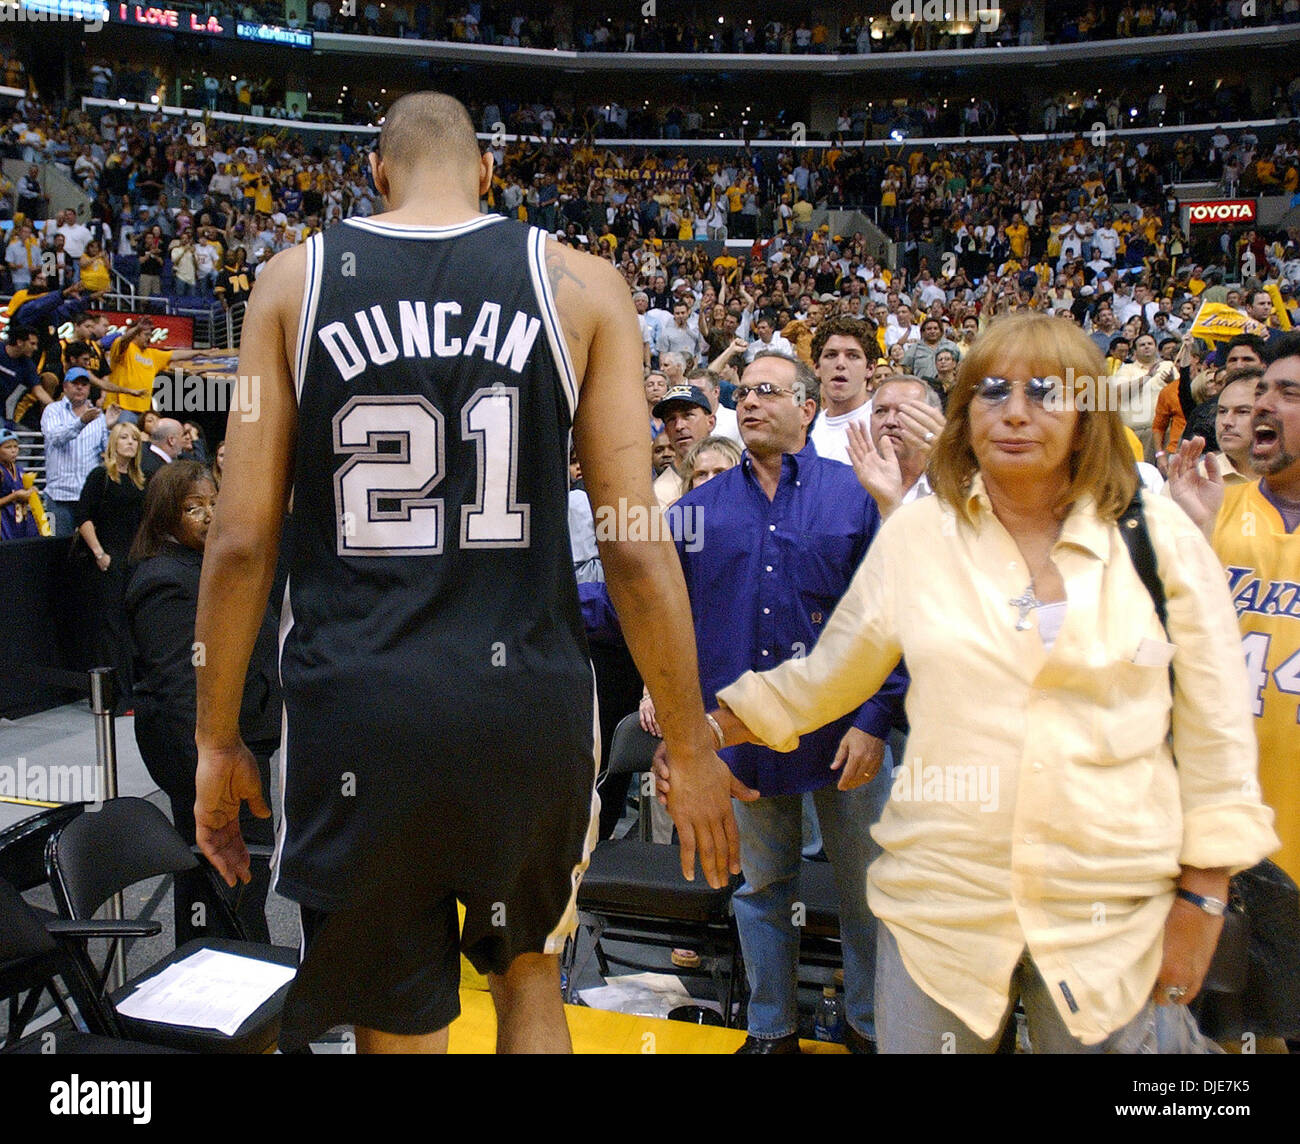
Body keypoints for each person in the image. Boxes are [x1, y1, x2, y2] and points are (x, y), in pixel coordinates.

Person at [192, 92, 746, 1056]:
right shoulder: (582, 284)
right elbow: (629, 540)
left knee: (400, 1018)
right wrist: (690, 741)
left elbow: (240, 540)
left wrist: (215, 736)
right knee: (529, 979)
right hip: (523, 708)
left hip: (359, 707)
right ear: (491, 175)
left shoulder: (291, 283)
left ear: (373, 173)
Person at [676, 311, 1278, 1053]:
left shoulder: (1159, 537)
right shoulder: (923, 535)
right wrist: (700, 732)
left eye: (1044, 393)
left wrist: (1202, 893)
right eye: (992, 392)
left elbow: (1217, 730)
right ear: (964, 415)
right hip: (944, 912)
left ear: (1088, 412)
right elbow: (823, 678)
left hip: (1107, 909)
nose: (1016, 411)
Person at [648, 350, 907, 1054]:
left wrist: (876, 720)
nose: (751, 402)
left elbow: (890, 616)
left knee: (868, 897)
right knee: (762, 891)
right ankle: (771, 1028)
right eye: (744, 392)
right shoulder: (696, 510)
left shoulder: (854, 494)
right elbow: (663, 620)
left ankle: (867, 1026)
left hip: (843, 735)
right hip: (740, 738)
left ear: (808, 408)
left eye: (769, 391)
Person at [127, 461, 280, 945]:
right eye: (194, 508)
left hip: (240, 740)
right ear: (164, 517)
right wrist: (208, 766)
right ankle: (226, 985)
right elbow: (179, 692)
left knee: (235, 882)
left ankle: (236, 976)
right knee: (222, 880)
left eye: (215, 503)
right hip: (205, 754)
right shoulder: (164, 579)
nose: (210, 515)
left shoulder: (212, 561)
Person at [1170, 332, 1300, 885]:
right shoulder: (1209, 508)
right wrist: (1193, 539)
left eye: (1288, 393)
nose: (1264, 405)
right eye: (1262, 390)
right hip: (1212, 844)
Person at [75, 421, 147, 713]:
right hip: (108, 560)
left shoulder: (141, 480)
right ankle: (112, 696)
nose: (130, 442)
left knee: (131, 627)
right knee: (110, 628)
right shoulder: (100, 477)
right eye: (125, 437)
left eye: (134, 438)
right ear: (113, 442)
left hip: (134, 561)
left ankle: (131, 691)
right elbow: (84, 517)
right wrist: (98, 552)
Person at [39, 366, 116, 537]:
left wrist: (110, 428)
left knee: (87, 552)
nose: (80, 387)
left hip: (88, 497)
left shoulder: (99, 416)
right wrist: (81, 422)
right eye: (75, 384)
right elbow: (56, 438)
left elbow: (108, 453)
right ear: (65, 387)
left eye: (84, 384)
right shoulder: (52, 410)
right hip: (59, 497)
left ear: (89, 389)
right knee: (57, 549)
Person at [0, 426, 38, 539]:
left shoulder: (19, 470)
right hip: (4, 525)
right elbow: (14, 495)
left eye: (15, 447)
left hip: (20, 522)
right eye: (8, 447)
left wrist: (30, 492)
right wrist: (14, 496)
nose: (13, 451)